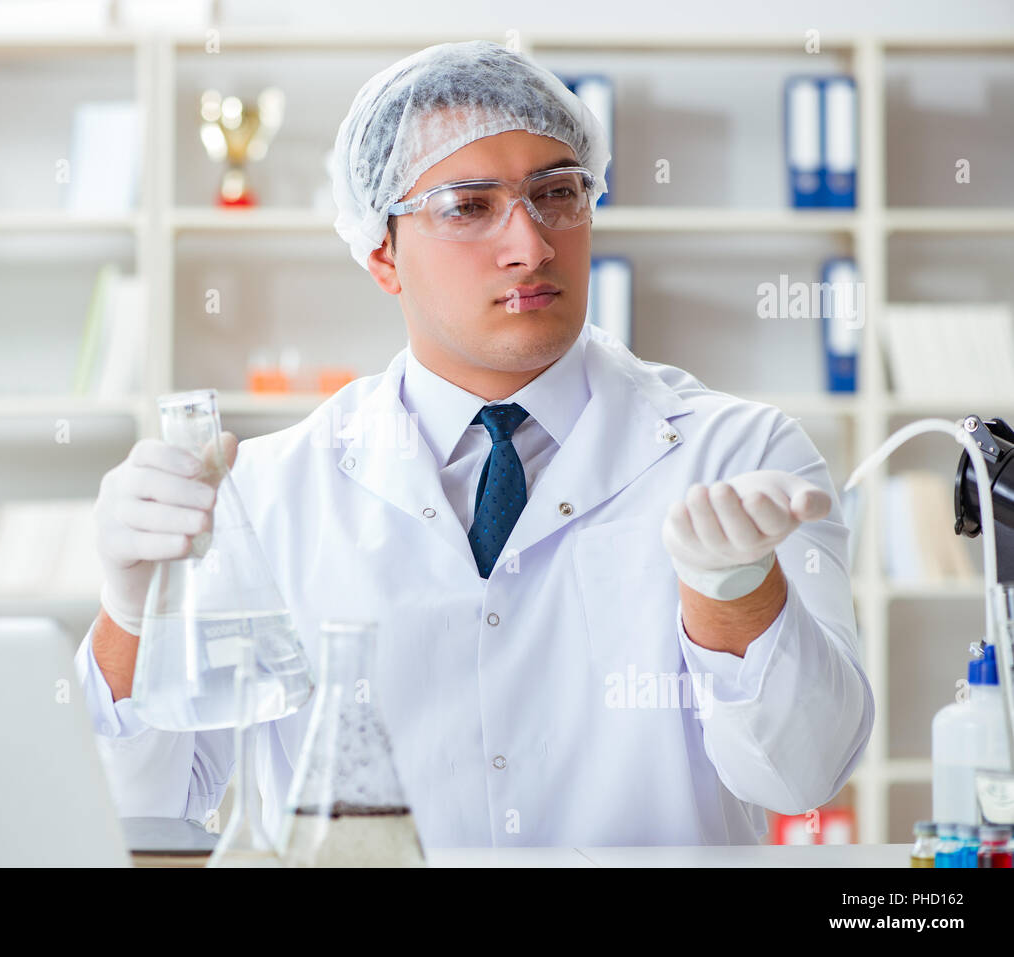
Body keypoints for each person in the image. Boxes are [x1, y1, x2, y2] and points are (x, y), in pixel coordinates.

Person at [77, 39, 873, 847]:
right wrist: (130, 613)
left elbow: (803, 774)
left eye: (558, 193)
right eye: (468, 206)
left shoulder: (740, 458)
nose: (531, 244)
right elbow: (145, 811)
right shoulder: (272, 492)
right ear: (382, 252)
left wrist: (736, 596)